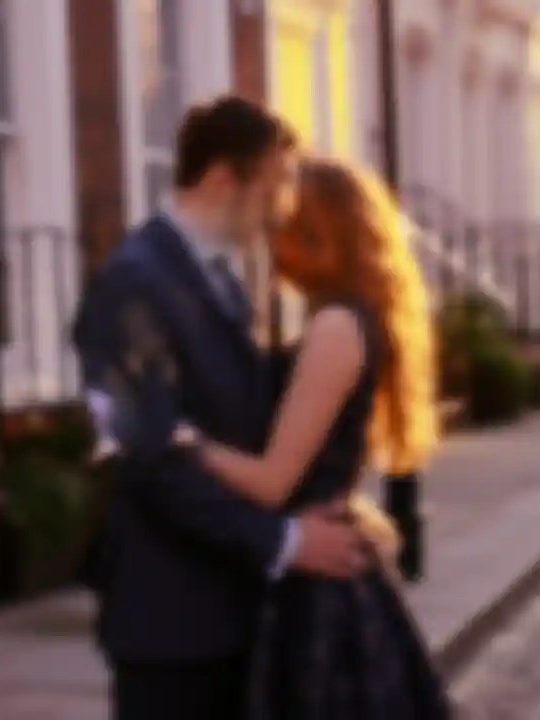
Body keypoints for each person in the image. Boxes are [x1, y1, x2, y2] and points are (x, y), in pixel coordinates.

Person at [72, 97, 371, 720]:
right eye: (275, 183)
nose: (284, 205)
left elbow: (235, 427)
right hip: (170, 623)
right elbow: (151, 462)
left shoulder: (224, 279)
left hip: (233, 609)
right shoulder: (133, 283)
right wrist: (284, 540)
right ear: (220, 180)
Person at [127, 159, 452, 719]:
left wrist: (179, 439)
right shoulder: (339, 320)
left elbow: (273, 480)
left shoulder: (336, 328)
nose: (265, 241)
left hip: (312, 591)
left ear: (315, 232)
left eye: (276, 225)